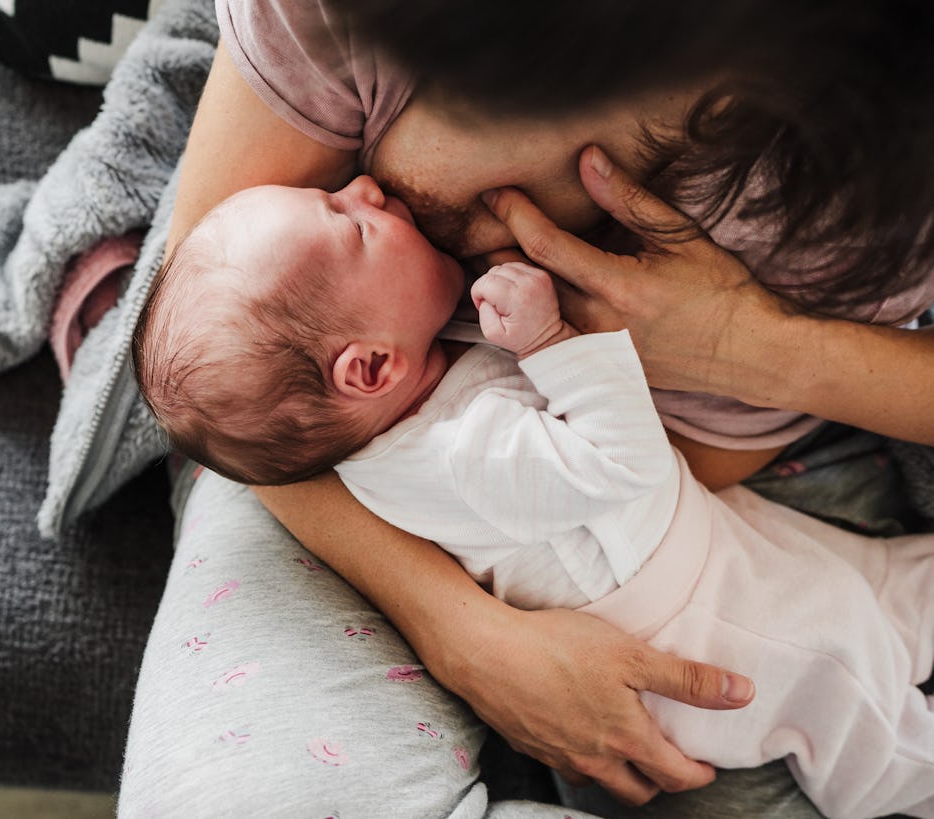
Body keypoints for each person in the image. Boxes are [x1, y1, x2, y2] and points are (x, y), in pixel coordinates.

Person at [119, 1, 934, 815]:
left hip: (725, 520)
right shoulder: (381, 426)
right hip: (566, 582)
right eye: (347, 220)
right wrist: (468, 637)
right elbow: (217, 345)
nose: (360, 189)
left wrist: (756, 348)